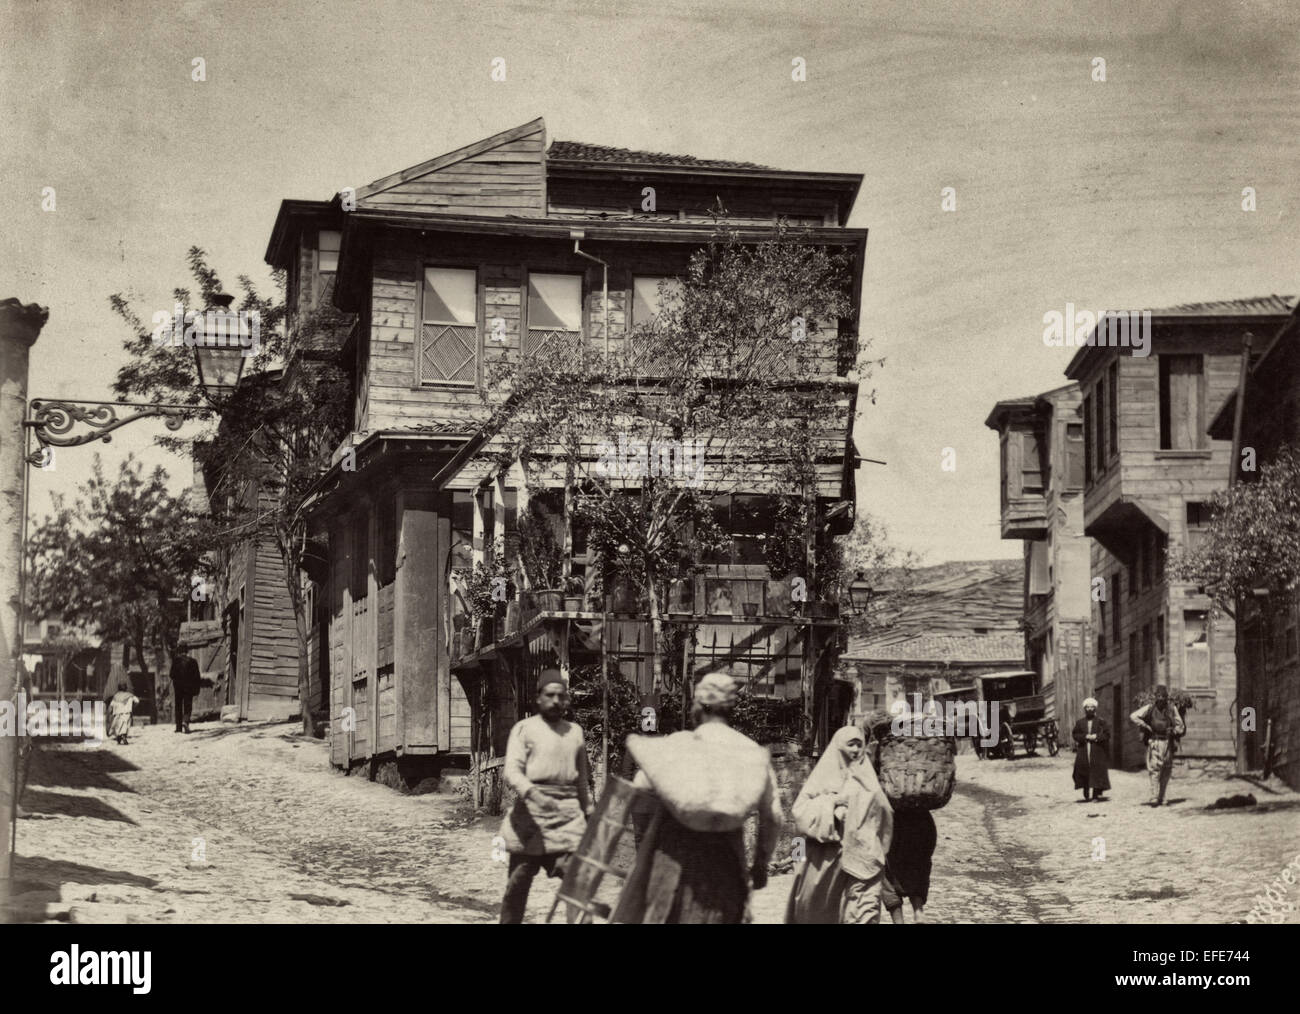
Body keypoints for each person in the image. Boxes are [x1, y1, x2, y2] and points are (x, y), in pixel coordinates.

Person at [622, 672, 783, 924]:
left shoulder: (680, 745)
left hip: (676, 862)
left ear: (698, 705)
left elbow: (640, 785)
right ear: (731, 707)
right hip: (727, 864)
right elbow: (773, 816)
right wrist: (760, 865)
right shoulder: (752, 753)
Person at [498, 671, 593, 923]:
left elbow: (581, 779)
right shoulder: (524, 729)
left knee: (579, 884)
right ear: (538, 698)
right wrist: (533, 794)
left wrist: (589, 809)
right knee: (517, 886)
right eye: (549, 695)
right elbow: (512, 771)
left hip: (568, 818)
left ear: (567, 700)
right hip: (531, 818)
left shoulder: (575, 732)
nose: (555, 701)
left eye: (561, 696)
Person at [1130, 685, 1185, 807]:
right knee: (1154, 769)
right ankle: (1154, 796)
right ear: (1155, 697)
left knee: (1166, 769)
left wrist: (1174, 731)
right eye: (1158, 697)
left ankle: (1163, 796)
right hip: (1154, 741)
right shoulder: (1150, 708)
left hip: (1167, 743)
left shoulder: (1172, 709)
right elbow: (1133, 716)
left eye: (1163, 697)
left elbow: (1180, 725)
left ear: (1166, 698)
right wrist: (1145, 726)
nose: (1160, 699)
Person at [1071, 697, 1111, 801]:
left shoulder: (1101, 722)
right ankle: (1085, 788)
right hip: (1084, 749)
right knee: (1083, 769)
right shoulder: (1080, 722)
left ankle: (1096, 793)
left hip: (1097, 750)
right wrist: (1085, 737)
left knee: (1097, 770)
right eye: (1087, 707)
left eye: (1091, 707)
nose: (1089, 709)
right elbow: (1075, 734)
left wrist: (1096, 737)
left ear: (1095, 709)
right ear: (1085, 709)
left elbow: (1107, 734)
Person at [168, 646, 201, 733]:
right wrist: (196, 688)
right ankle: (185, 721)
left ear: (179, 651)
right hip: (188, 687)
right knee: (187, 705)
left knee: (178, 706)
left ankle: (178, 728)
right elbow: (197, 676)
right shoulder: (193, 661)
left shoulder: (176, 661)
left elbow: (171, 675)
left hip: (178, 687)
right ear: (187, 651)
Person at [107, 680, 139, 746]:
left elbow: (111, 705)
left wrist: (110, 712)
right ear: (126, 688)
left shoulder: (116, 696)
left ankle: (119, 736)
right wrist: (133, 706)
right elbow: (137, 701)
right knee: (125, 725)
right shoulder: (130, 695)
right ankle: (123, 736)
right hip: (127, 712)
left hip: (117, 713)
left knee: (118, 726)